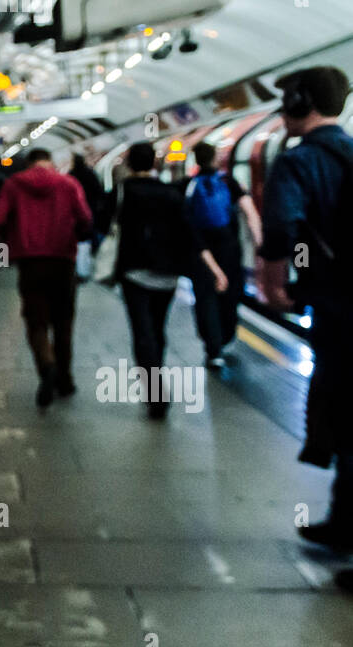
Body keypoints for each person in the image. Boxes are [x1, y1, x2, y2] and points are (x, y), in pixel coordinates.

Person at [257, 66, 353, 558]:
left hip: (339, 306)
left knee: (344, 408)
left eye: (286, 99)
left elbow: (282, 229)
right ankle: (342, 519)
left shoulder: (299, 161)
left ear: (301, 100)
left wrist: (278, 282)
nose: (280, 109)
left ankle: (346, 525)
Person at [114, 141, 228, 419]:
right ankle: (157, 380)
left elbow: (99, 223)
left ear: (129, 164)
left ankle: (155, 394)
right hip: (167, 274)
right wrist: (215, 268)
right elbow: (191, 234)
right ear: (155, 163)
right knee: (157, 329)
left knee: (142, 333)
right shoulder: (171, 193)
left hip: (134, 272)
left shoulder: (121, 192)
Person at [0, 148, 93, 407]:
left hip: (29, 263)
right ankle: (65, 381)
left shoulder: (13, 185)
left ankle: (47, 366)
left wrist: (2, 255)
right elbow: (85, 219)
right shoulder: (68, 183)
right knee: (64, 321)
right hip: (63, 260)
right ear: (51, 161)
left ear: (28, 163)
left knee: (36, 321)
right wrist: (77, 238)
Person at [184, 141, 263, 370]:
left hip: (200, 254)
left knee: (205, 299)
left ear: (196, 160)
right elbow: (250, 214)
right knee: (229, 297)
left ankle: (213, 348)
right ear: (215, 158)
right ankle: (225, 337)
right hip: (229, 251)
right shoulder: (229, 183)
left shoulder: (188, 185)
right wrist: (260, 246)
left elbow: (183, 223)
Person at [70, 153, 107, 255]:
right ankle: (93, 250)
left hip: (75, 209)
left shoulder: (71, 174)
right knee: (91, 229)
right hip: (91, 206)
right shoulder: (90, 173)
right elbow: (99, 190)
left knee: (77, 232)